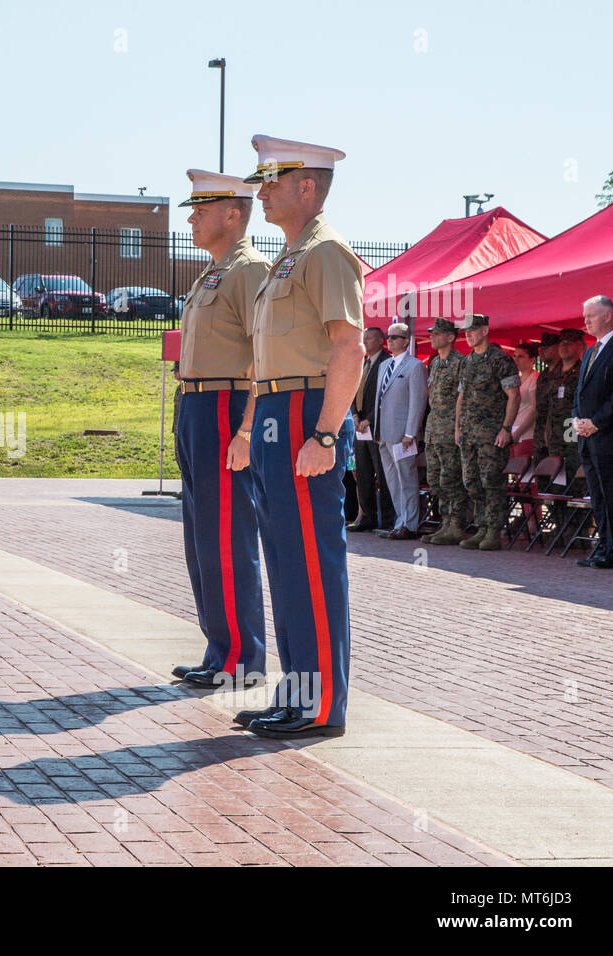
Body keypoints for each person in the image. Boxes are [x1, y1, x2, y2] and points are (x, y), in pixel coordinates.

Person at [232, 134, 363, 739]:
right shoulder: (289, 256)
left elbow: (349, 347)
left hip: (307, 415)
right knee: (285, 562)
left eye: (271, 180)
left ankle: (320, 706)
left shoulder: (326, 252)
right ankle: (296, 692)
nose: (260, 191)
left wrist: (327, 434)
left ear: (305, 186)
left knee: (311, 561)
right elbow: (266, 359)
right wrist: (250, 427)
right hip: (274, 414)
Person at [167, 169, 270, 690]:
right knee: (202, 536)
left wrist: (248, 430)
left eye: (200, 210)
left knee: (229, 536)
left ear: (232, 214)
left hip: (228, 407)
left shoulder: (248, 271)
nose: (191, 218)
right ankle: (219, 648)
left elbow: (265, 356)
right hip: (197, 408)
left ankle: (243, 658)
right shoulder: (213, 273)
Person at [454, 314, 520, 551]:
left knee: (491, 480)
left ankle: (493, 530)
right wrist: (458, 428)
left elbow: (514, 395)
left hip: (492, 434)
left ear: (485, 330)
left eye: (472, 330)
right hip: (470, 433)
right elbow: (461, 396)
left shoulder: (500, 359)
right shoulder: (467, 361)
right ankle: (481, 527)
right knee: (471, 482)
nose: (468, 335)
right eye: (466, 332)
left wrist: (506, 428)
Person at [572, 296, 613, 568]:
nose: (586, 321)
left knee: (612, 494)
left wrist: (596, 422)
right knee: (598, 495)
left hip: (609, 437)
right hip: (587, 437)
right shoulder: (591, 352)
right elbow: (579, 392)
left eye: (590, 316)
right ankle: (603, 547)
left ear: (606, 316)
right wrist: (577, 420)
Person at [373, 322, 427, 539]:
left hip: (403, 434)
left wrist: (410, 432)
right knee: (392, 481)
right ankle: (400, 521)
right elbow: (379, 399)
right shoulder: (383, 366)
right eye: (389, 336)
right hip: (383, 433)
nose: (390, 340)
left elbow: (418, 401)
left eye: (395, 337)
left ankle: (410, 524)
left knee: (406, 478)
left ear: (406, 341)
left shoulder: (415, 366)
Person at [420, 319, 469, 545]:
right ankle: (446, 523)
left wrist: (459, 428)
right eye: (432, 333)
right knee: (435, 479)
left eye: (438, 333)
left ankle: (456, 525)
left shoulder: (460, 362)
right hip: (433, 429)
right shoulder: (435, 363)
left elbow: (463, 398)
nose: (432, 337)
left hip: (450, 429)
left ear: (451, 337)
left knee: (451, 478)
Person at [348, 326, 395, 532]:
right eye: (363, 337)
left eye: (369, 338)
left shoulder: (387, 362)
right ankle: (367, 516)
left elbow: (385, 396)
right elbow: (351, 390)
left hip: (377, 426)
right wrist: (355, 416)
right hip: (359, 427)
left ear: (381, 340)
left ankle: (387, 520)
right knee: (363, 473)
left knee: (382, 474)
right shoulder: (361, 363)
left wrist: (369, 419)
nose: (365, 341)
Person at [547, 328, 585, 478]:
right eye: (562, 343)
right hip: (554, 434)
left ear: (579, 346)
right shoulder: (553, 374)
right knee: (557, 480)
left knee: (575, 477)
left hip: (573, 431)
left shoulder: (583, 371)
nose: (564, 346)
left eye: (569, 343)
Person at [532, 331, 562, 463]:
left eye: (546, 348)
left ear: (558, 348)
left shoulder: (566, 372)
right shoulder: (543, 375)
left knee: (560, 479)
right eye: (541, 348)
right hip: (540, 435)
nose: (541, 351)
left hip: (560, 435)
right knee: (542, 476)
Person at [509, 342, 539, 458]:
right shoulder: (517, 379)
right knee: (515, 471)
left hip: (526, 433)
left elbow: (534, 408)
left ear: (532, 360)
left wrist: (519, 432)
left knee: (525, 472)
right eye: (514, 356)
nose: (516, 359)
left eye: (520, 356)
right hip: (513, 429)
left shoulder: (534, 378)